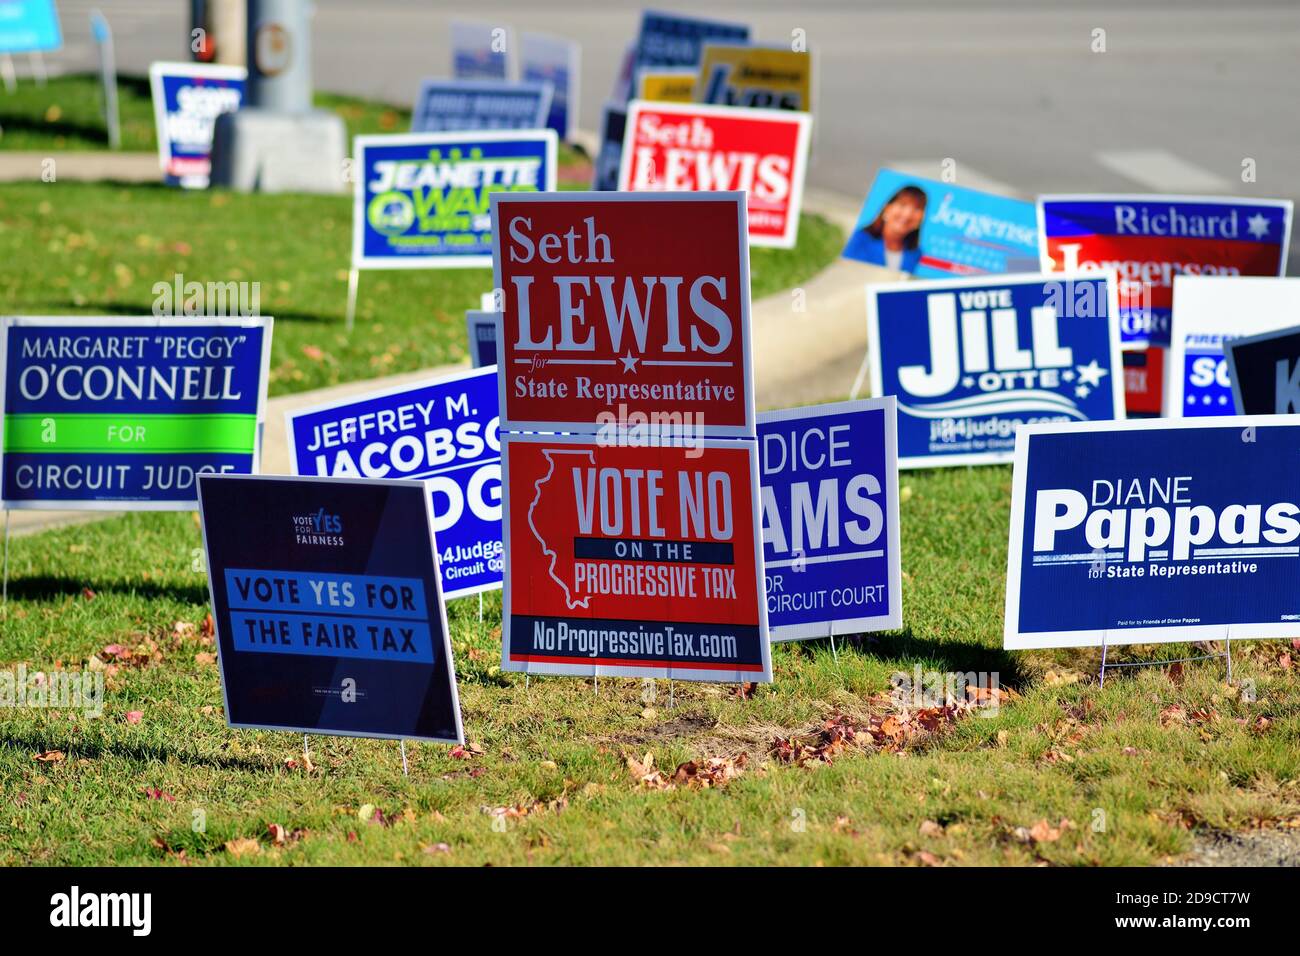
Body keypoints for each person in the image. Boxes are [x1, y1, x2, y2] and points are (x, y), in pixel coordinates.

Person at [843, 184, 927, 272]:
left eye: (917, 208)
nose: (908, 214)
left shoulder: (915, 253)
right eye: (903, 205)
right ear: (887, 208)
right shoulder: (860, 238)